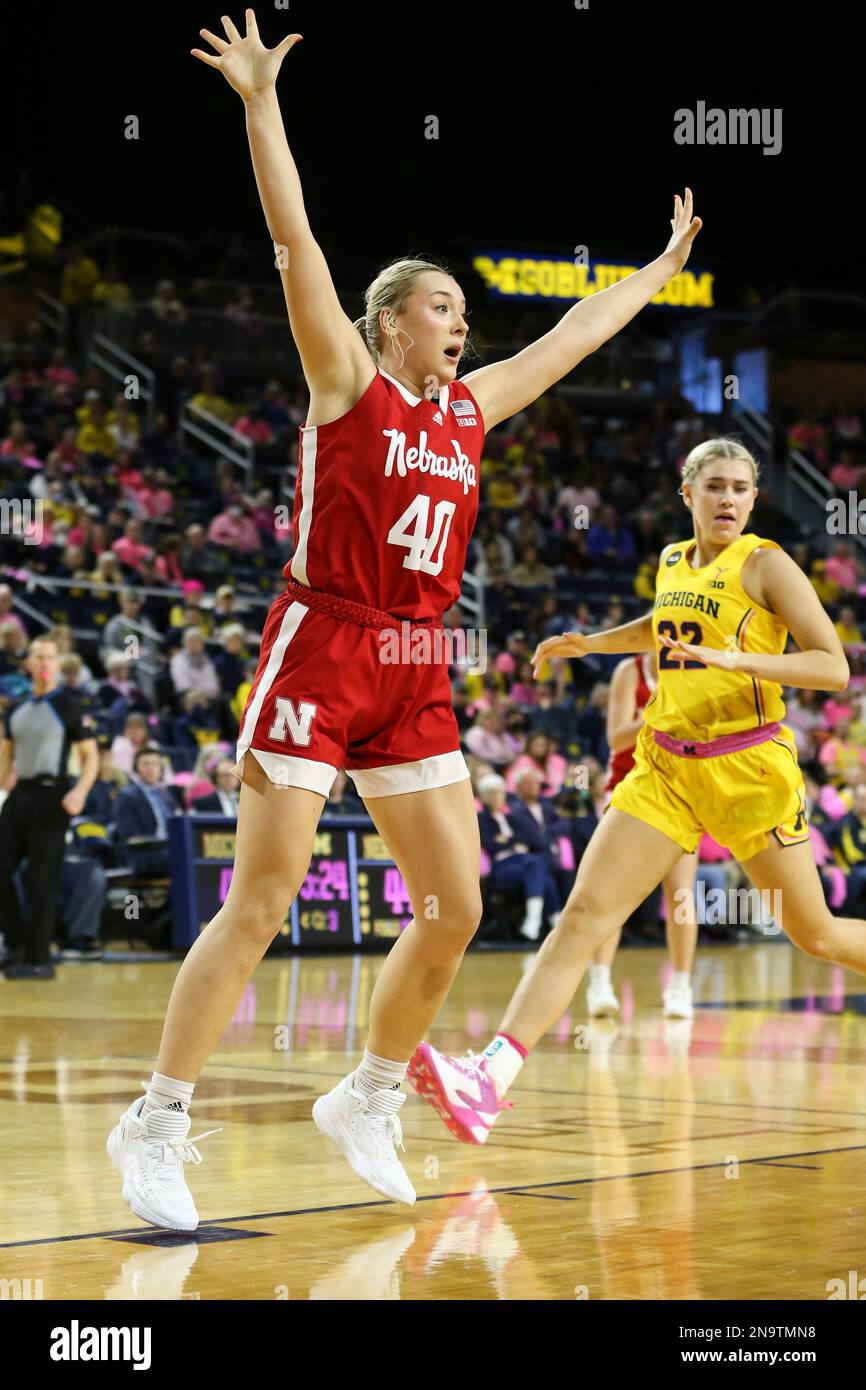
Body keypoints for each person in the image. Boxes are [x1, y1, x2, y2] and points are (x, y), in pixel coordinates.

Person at [106, 8, 702, 1231]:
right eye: (440, 305)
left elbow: (570, 334)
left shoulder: (471, 412)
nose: (459, 320)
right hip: (323, 642)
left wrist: (652, 269)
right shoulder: (347, 379)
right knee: (262, 898)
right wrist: (261, 104)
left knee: (459, 904)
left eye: (460, 310)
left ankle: (368, 1094)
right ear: (389, 319)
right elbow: (294, 238)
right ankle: (154, 1119)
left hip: (414, 662)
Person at [409, 436, 862, 1146]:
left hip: (747, 768)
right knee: (584, 913)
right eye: (715, 486)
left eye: (741, 488)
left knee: (817, 935)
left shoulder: (768, 564)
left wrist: (734, 656)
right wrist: (592, 643)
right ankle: (489, 1078)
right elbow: (662, 628)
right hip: (666, 768)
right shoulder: (673, 561)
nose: (729, 500)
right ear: (687, 493)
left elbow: (833, 667)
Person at [584, 643, 699, 1020]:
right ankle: (599, 981)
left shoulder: (696, 671)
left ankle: (681, 985)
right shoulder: (629, 672)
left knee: (680, 892)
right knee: (612, 892)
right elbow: (617, 738)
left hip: (683, 789)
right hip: (628, 786)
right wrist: (662, 709)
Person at [0, 636, 98, 978]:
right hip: (20, 795)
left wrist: (80, 792)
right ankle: (15, 945)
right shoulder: (14, 708)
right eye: (39, 657)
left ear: (58, 664)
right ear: (28, 663)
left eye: (51, 658)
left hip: (52, 796)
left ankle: (40, 958)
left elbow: (90, 757)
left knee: (42, 880)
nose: (45, 664)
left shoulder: (70, 704)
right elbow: (5, 757)